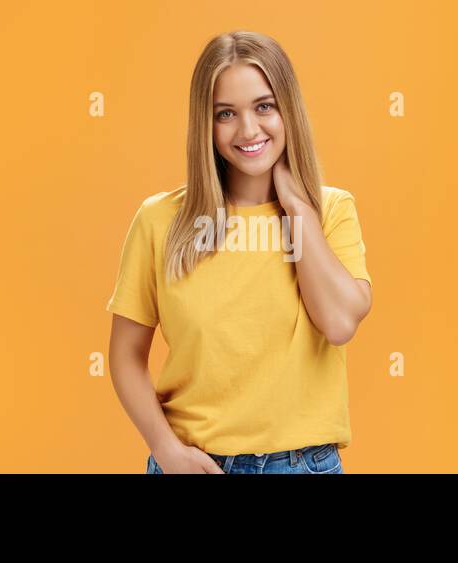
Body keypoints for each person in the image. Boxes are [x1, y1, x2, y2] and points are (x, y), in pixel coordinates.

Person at [107, 30, 372, 474]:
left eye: (264, 106)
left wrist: (297, 208)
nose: (248, 130)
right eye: (225, 113)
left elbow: (340, 323)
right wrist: (166, 449)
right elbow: (125, 355)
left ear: (288, 108)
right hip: (194, 463)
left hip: (302, 465)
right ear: (205, 124)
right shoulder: (159, 220)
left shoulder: (331, 211)